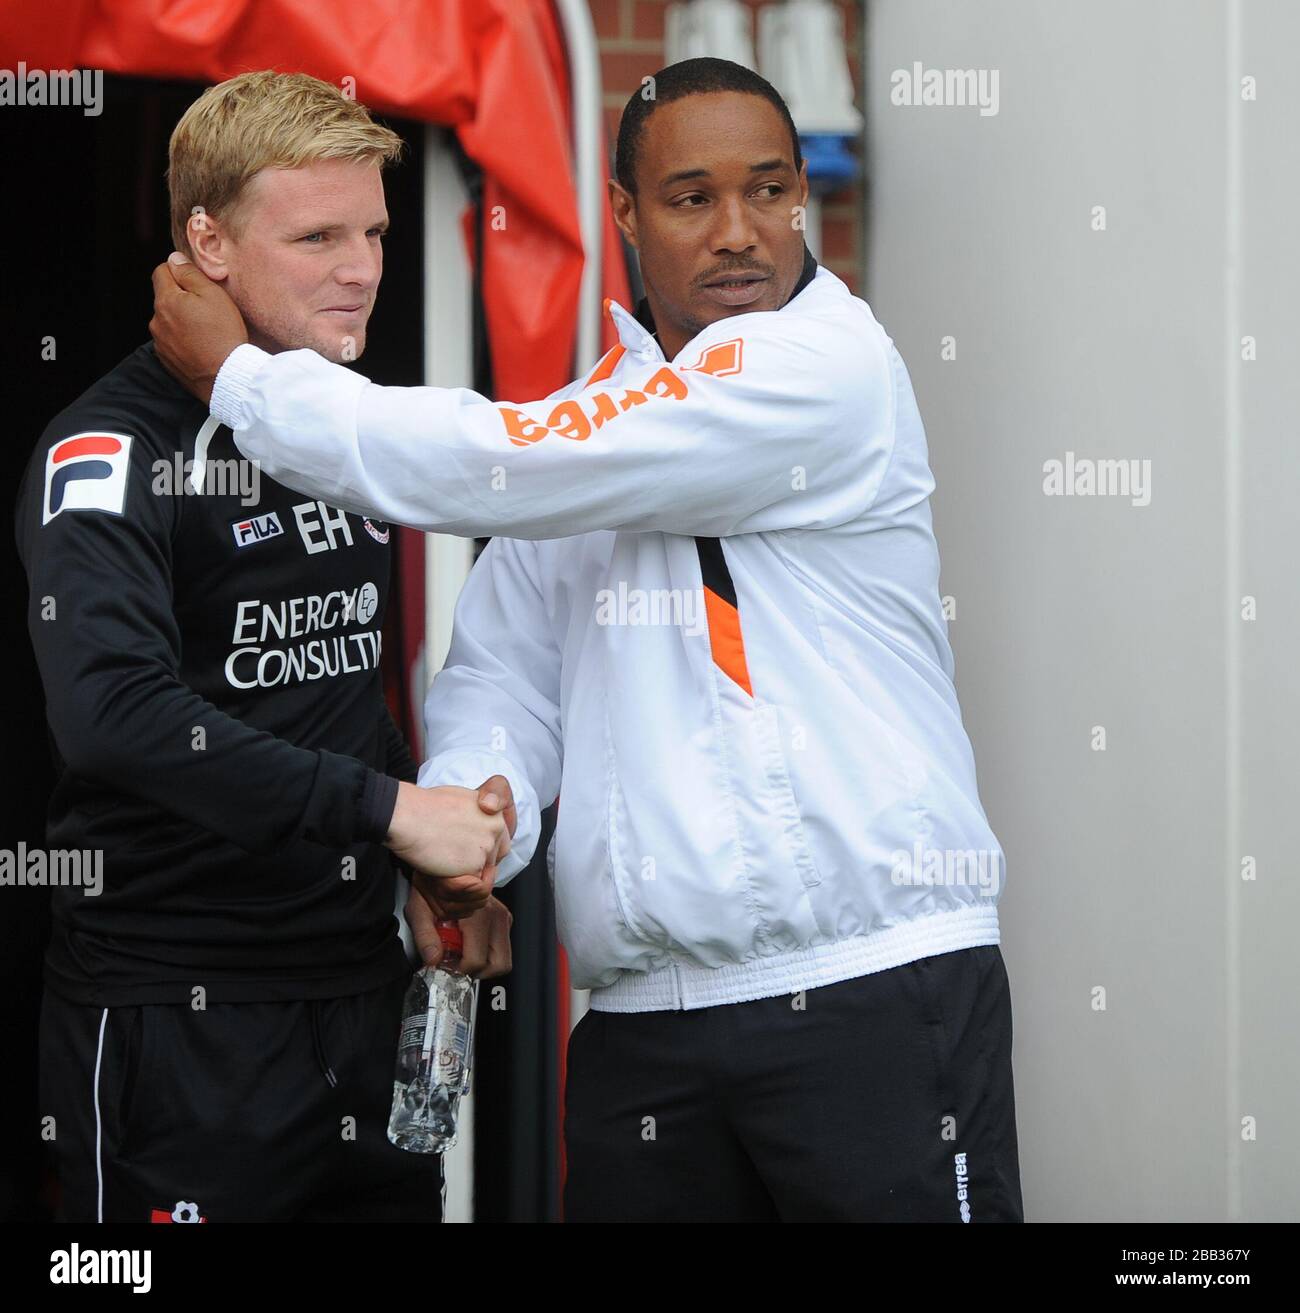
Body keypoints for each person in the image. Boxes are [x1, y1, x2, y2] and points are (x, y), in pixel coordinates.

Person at [150, 57, 1024, 1223]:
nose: (740, 232)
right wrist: (470, 837)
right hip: (642, 1031)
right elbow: (505, 676)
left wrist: (246, 384)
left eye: (771, 191)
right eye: (690, 197)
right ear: (622, 212)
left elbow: (500, 458)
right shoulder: (605, 416)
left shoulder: (825, 365)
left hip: (871, 989)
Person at [16, 71, 512, 1225]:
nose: (362, 268)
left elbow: (333, 682)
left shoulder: (334, 425)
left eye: (377, 231)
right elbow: (113, 712)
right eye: (317, 235)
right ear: (209, 240)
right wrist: (395, 811)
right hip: (178, 1018)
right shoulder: (106, 444)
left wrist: (427, 869)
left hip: (357, 1000)